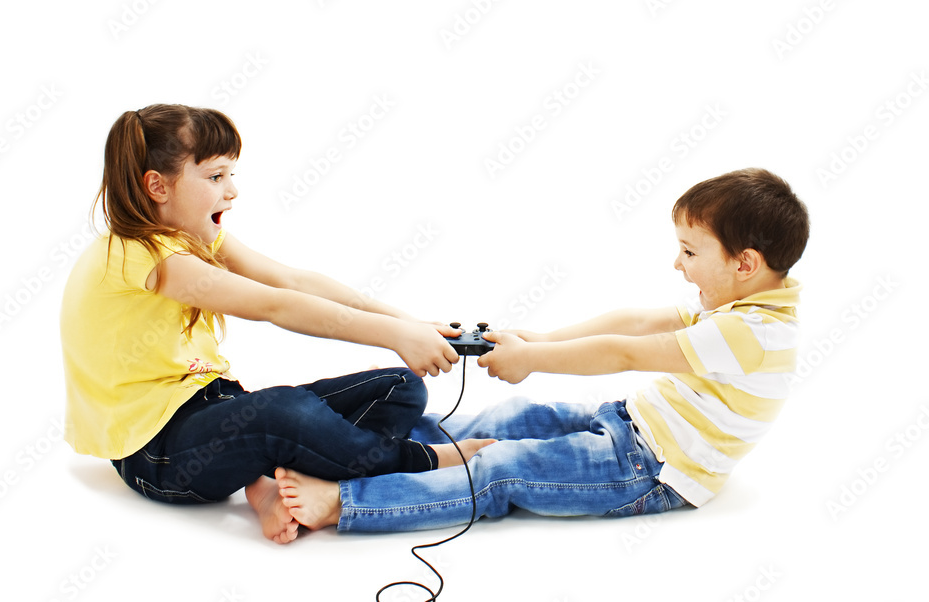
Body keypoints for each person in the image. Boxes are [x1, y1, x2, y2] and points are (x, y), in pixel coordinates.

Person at [269, 168, 809, 542]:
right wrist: (541, 340)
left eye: (690, 252)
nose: (677, 264)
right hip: (631, 425)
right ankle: (340, 447)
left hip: (652, 471)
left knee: (501, 469)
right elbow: (639, 321)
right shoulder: (741, 306)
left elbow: (625, 353)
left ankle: (345, 501)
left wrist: (532, 362)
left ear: (745, 263)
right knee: (508, 420)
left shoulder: (753, 332)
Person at [59, 104, 492, 542]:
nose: (231, 191)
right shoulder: (140, 254)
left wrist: (410, 324)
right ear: (158, 186)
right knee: (285, 412)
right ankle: (426, 460)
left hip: (211, 405)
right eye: (215, 176)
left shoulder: (188, 236)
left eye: (232, 175)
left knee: (402, 388)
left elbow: (292, 280)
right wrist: (396, 336)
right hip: (157, 453)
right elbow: (275, 305)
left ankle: (271, 482)